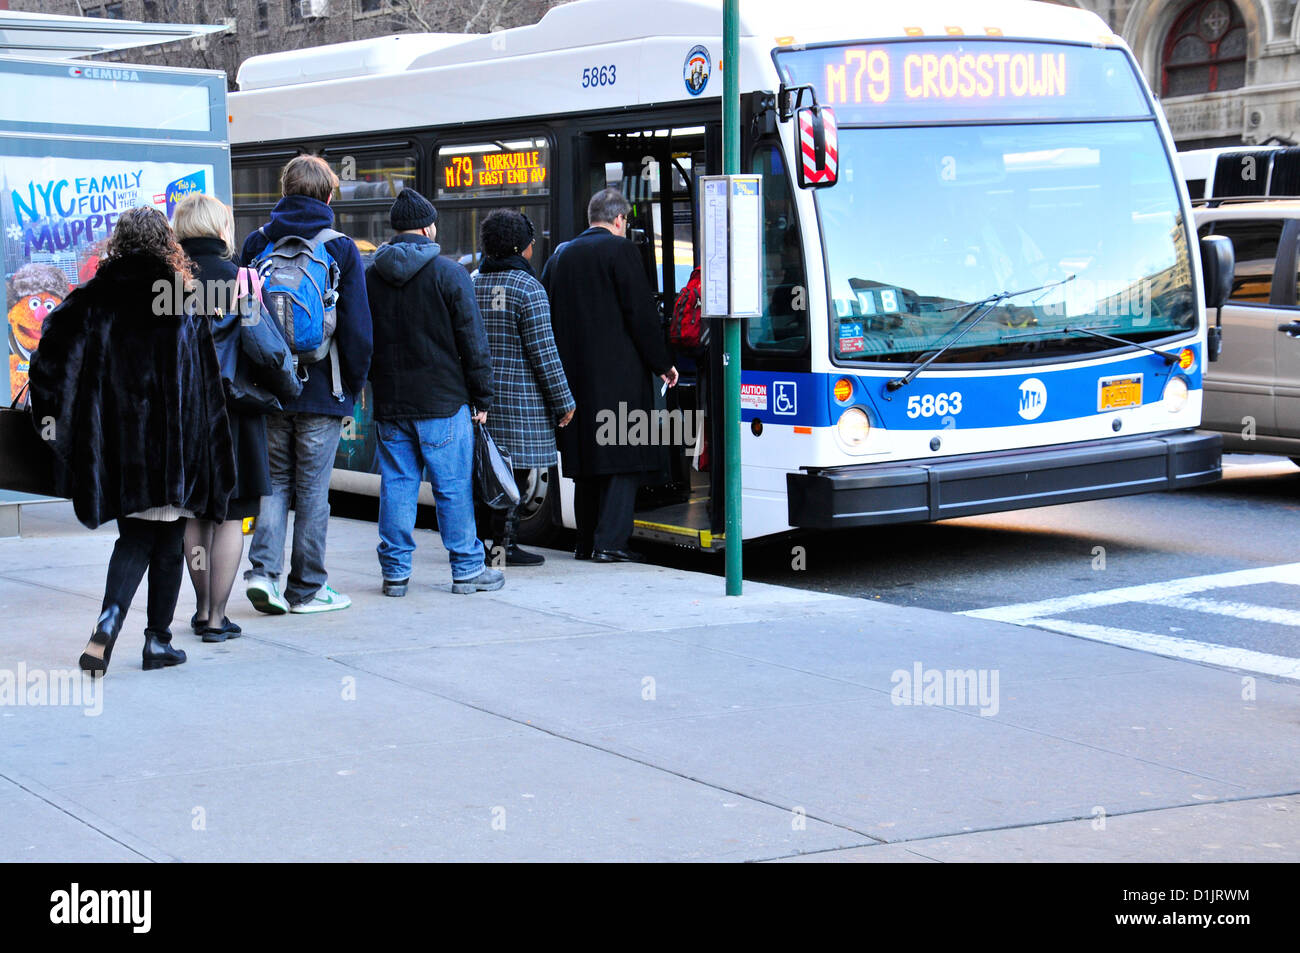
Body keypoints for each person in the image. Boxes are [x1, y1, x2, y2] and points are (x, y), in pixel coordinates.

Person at [28, 206, 236, 674]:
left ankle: (106, 626)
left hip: (123, 450)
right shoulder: (184, 294)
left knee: (134, 539)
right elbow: (207, 385)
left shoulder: (94, 297)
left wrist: (65, 424)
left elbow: (50, 359)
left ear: (118, 243)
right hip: (177, 452)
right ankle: (157, 642)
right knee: (170, 542)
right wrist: (212, 455)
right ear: (168, 243)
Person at [239, 155, 373, 615]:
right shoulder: (341, 248)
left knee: (273, 484)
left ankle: (263, 576)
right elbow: (358, 332)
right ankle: (307, 588)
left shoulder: (257, 243)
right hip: (322, 391)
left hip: (270, 389)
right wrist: (351, 390)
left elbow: (242, 319)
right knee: (313, 492)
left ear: (284, 190)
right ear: (329, 196)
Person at [173, 193, 299, 643]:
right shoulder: (242, 281)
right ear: (221, 229)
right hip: (237, 412)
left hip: (185, 413)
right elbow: (266, 348)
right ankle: (215, 619)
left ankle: (200, 606)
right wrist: (289, 387)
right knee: (229, 515)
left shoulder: (169, 282)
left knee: (194, 513)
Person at [365, 188, 503, 595]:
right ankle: (466, 569)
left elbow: (361, 337)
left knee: (398, 485)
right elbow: (473, 342)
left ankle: (394, 573)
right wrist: (482, 398)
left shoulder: (371, 275)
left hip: (391, 403)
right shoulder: (450, 274)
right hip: (444, 402)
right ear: (428, 227)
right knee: (452, 487)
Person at [541, 188, 678, 563]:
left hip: (572, 380)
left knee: (586, 464)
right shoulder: (621, 251)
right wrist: (662, 364)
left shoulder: (561, 255)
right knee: (623, 460)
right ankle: (611, 543)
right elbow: (641, 316)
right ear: (619, 220)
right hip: (618, 379)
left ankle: (584, 543)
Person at [472, 209, 575, 566]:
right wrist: (564, 402)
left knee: (487, 476)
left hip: (478, 401)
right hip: (520, 403)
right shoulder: (528, 288)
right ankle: (504, 549)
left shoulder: (473, 282)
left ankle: (484, 548)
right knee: (512, 478)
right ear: (521, 247)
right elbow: (544, 354)